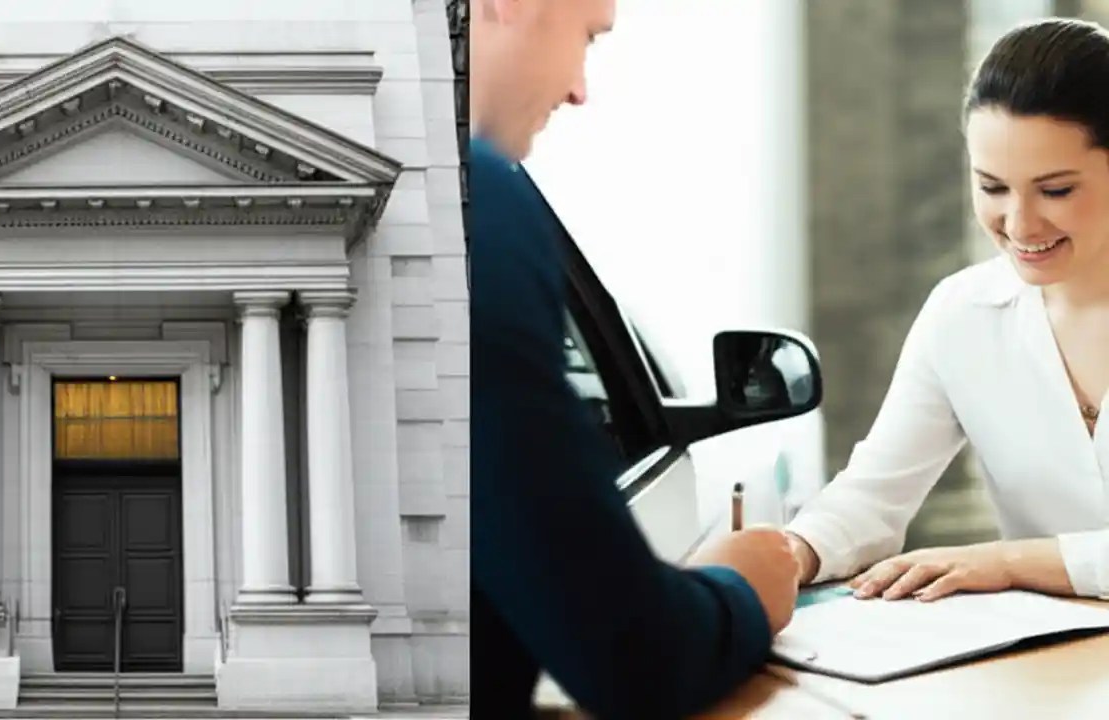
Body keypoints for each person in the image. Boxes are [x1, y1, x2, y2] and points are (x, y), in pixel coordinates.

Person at [470, 1, 800, 717]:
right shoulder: (478, 199)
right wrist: (745, 588)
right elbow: (634, 656)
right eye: (586, 36)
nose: (580, 88)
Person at [785, 17, 1109, 604]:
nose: (1019, 224)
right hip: (1053, 672)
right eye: (992, 188)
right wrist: (791, 553)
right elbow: (873, 496)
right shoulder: (963, 314)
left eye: (1056, 190)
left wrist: (1009, 561)